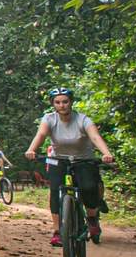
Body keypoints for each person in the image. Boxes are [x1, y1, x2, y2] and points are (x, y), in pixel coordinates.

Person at [23, 87, 114, 246]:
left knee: (88, 187)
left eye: (65, 101)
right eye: (57, 102)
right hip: (58, 160)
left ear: (71, 102)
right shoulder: (49, 119)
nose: (62, 105)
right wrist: (31, 150)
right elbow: (41, 135)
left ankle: (92, 218)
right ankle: (58, 231)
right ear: (53, 104)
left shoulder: (82, 120)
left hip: (83, 160)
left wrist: (106, 153)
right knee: (55, 191)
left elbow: (95, 137)